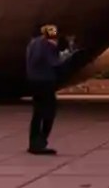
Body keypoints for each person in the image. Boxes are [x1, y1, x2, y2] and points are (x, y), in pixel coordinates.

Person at [26, 24, 76, 155]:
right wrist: (69, 55)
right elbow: (56, 63)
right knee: (49, 112)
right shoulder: (48, 46)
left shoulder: (33, 43)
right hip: (46, 82)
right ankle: (40, 143)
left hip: (34, 81)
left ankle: (33, 143)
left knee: (37, 113)